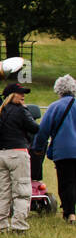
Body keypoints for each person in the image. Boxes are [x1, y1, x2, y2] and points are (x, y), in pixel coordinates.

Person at [0, 82, 40, 233]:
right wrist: (26, 110)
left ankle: (0, 226)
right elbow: (35, 128)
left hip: (2, 155)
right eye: (20, 93)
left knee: (3, 193)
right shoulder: (21, 111)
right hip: (18, 153)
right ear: (11, 95)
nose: (23, 96)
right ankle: (18, 226)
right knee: (21, 192)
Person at [33, 74, 76, 224]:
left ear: (58, 90)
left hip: (63, 151)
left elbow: (43, 130)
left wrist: (38, 148)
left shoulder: (54, 107)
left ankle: (70, 213)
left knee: (66, 182)